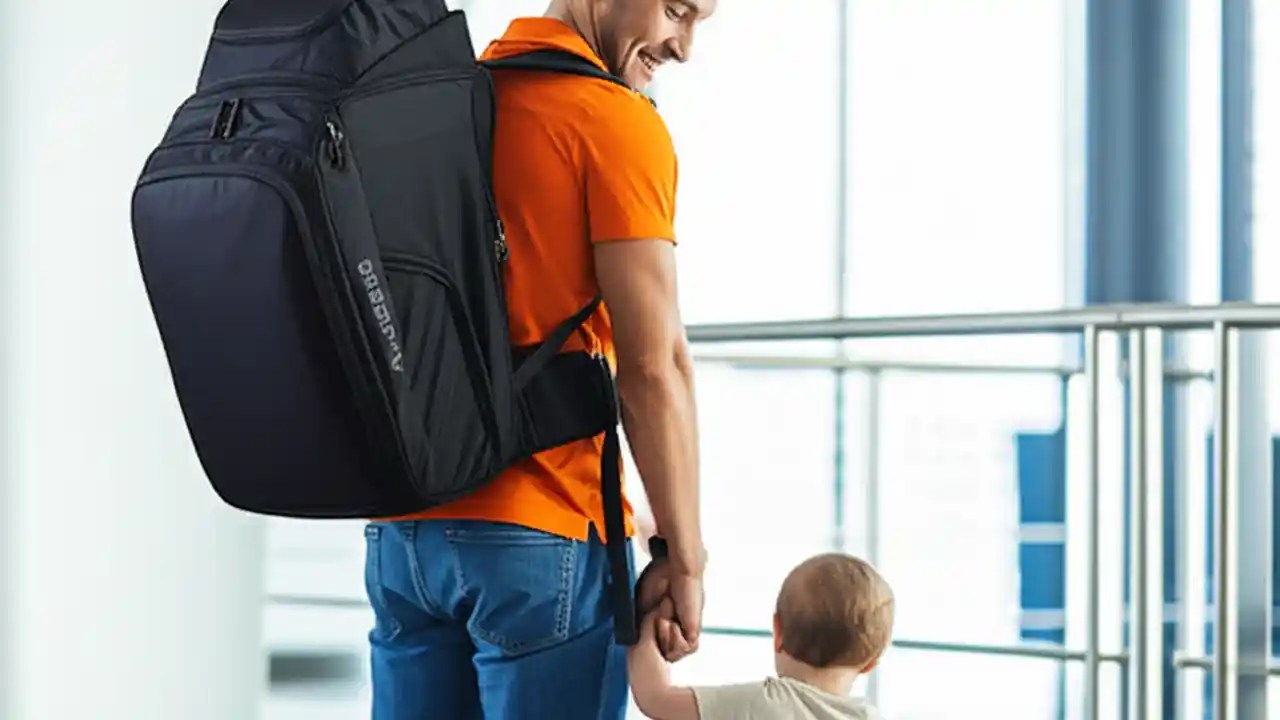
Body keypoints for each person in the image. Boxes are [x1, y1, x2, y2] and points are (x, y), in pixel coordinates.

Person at [361, 1, 717, 718]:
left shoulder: (440, 105)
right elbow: (654, 367)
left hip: (405, 531)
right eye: (677, 10)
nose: (683, 46)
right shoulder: (613, 122)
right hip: (545, 530)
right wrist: (686, 555)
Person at [628, 553, 895, 720]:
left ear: (778, 633)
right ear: (870, 664)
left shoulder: (761, 703)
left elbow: (656, 698)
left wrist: (648, 622)